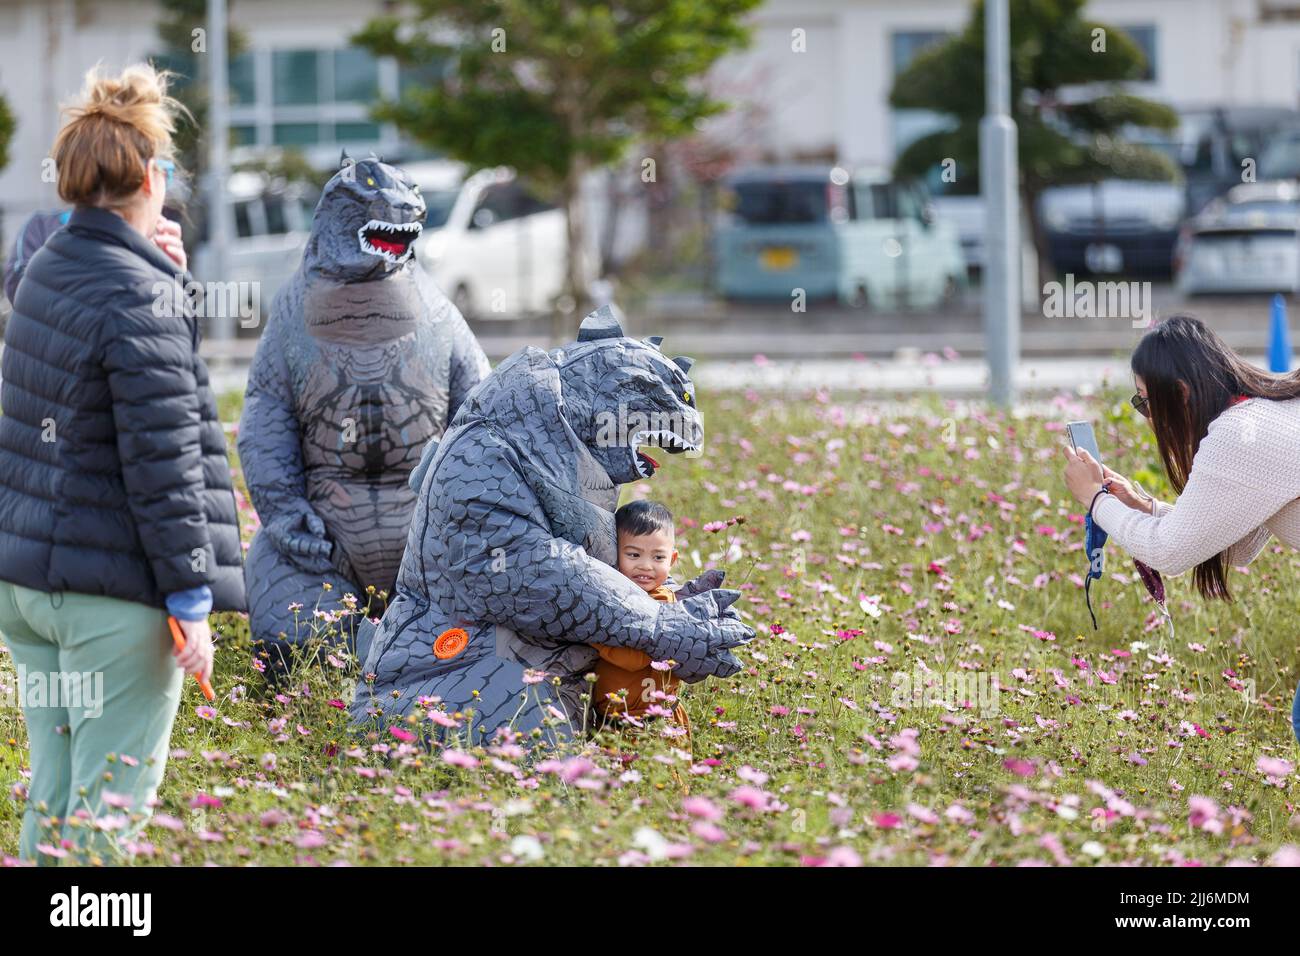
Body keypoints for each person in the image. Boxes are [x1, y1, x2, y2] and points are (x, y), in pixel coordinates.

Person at [0, 64, 246, 863]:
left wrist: (165, 277)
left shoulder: (44, 269)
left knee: (59, 793)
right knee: (108, 814)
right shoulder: (143, 296)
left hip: (31, 586)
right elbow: (164, 459)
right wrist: (191, 600)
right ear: (149, 177)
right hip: (114, 593)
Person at [1061, 314, 1300, 738]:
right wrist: (1140, 504)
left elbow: (1169, 553)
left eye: (1144, 401)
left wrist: (1094, 501)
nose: (1146, 416)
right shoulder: (1265, 412)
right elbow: (1239, 545)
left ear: (1181, 393)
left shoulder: (1237, 436)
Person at [592, 500, 692, 741]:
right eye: (634, 555)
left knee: (658, 778)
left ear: (672, 559)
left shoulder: (663, 603)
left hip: (653, 724)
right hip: (612, 722)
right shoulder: (615, 594)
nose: (645, 566)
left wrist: (589, 634)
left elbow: (635, 659)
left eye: (658, 557)